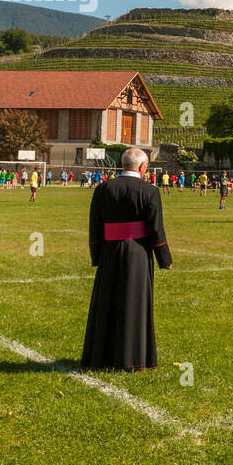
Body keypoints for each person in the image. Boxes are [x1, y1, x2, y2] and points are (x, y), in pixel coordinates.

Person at [81, 148, 172, 371]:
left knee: (107, 302)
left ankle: (102, 357)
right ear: (142, 167)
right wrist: (164, 258)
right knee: (135, 303)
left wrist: (97, 255)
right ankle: (135, 358)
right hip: (138, 253)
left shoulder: (103, 189)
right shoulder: (149, 191)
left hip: (109, 252)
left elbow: (95, 226)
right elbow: (155, 229)